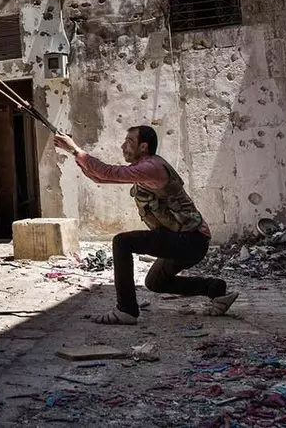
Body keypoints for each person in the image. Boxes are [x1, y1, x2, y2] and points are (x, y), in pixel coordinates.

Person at [54, 125, 238, 325]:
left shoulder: (152, 168)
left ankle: (126, 310)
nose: (123, 146)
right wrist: (74, 153)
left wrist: (75, 149)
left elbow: (106, 172)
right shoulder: (143, 170)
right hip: (187, 239)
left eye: (129, 142)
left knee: (122, 243)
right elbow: (100, 177)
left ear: (143, 147)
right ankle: (216, 290)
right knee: (155, 282)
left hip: (190, 239)